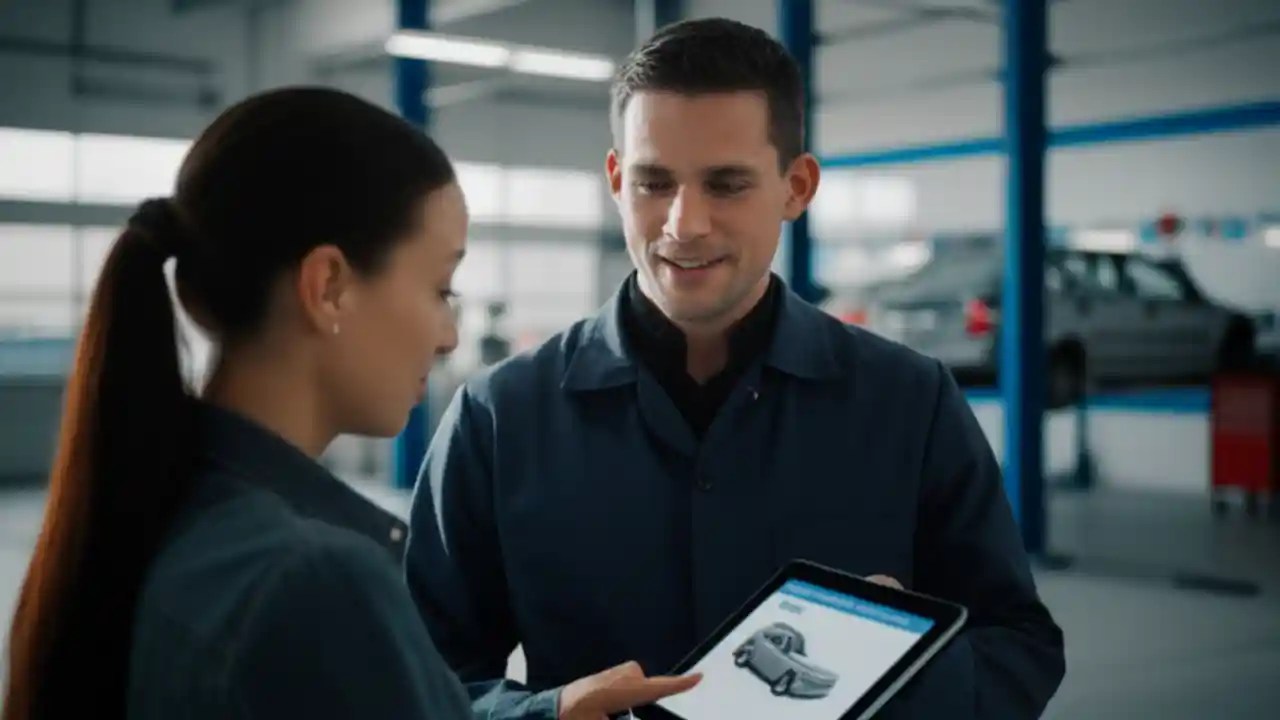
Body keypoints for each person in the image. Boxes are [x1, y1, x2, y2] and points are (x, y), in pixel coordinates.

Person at [407, 17, 1066, 720]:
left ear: (797, 187)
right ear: (615, 179)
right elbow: (415, 682)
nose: (684, 223)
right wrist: (546, 714)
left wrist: (899, 681)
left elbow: (1019, 644)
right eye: (654, 182)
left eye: (726, 185)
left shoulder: (909, 402)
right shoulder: (501, 417)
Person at [1, 88, 697, 720]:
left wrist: (544, 713)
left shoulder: (154, 511)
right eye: (440, 289)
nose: (449, 333)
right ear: (329, 286)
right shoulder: (314, 583)